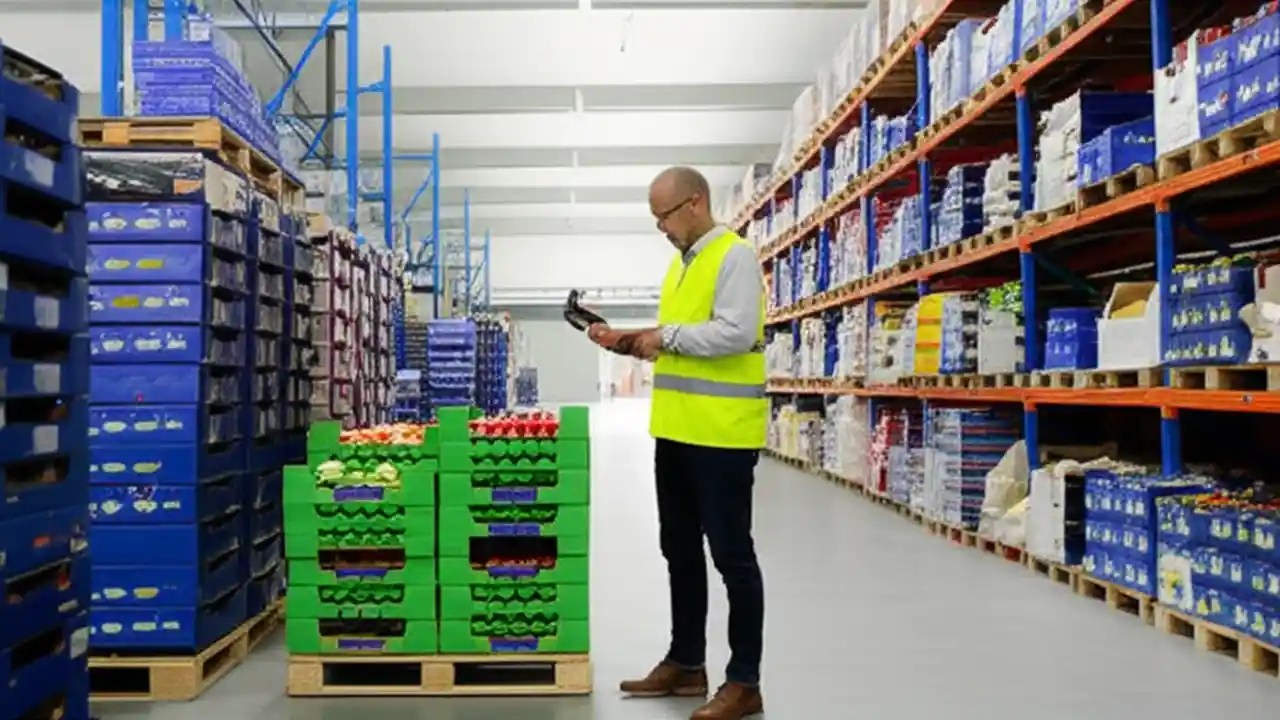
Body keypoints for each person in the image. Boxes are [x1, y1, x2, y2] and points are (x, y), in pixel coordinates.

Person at [586, 167, 767, 720]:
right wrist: (632, 339)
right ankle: (687, 663)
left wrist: (661, 338)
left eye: (663, 216)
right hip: (678, 430)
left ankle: (744, 682)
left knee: (733, 557)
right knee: (679, 551)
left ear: (693, 203)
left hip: (722, 435)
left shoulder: (734, 255)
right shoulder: (682, 265)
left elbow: (736, 331)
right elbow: (687, 336)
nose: (660, 227)